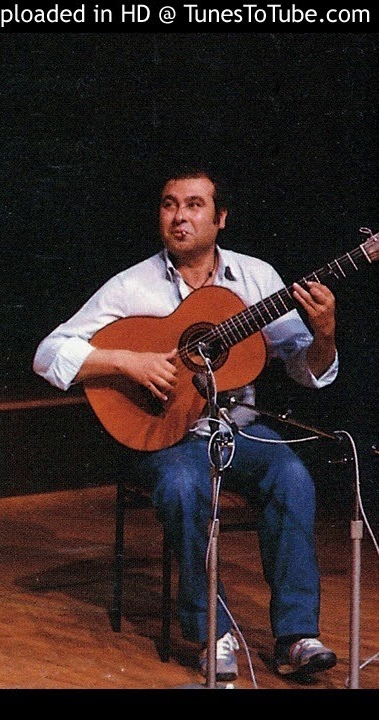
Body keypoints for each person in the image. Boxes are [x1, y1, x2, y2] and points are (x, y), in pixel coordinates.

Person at [33, 166, 340, 682]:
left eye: (194, 205)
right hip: (171, 437)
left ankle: (295, 637)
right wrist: (127, 361)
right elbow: (49, 354)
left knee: (292, 476)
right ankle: (211, 635)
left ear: (220, 219)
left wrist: (325, 333)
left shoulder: (257, 279)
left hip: (242, 431)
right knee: (180, 486)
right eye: (169, 204)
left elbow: (307, 369)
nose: (180, 216)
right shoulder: (132, 286)